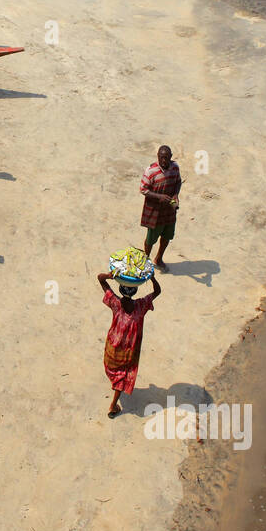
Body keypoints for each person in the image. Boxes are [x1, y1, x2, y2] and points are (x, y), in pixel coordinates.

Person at [98, 271, 161, 418]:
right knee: (123, 375)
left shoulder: (115, 303)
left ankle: (115, 386)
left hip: (113, 345)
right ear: (135, 289)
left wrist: (110, 275)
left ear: (120, 290)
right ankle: (113, 406)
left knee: (114, 370)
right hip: (130, 349)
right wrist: (151, 277)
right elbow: (157, 291)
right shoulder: (141, 305)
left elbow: (100, 279)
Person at [139, 145, 181, 272]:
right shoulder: (150, 171)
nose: (164, 160)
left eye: (166, 158)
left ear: (171, 157)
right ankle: (145, 261)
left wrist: (176, 195)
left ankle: (159, 258)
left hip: (169, 209)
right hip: (155, 211)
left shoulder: (175, 167)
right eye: (161, 158)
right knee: (151, 238)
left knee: (167, 236)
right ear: (158, 157)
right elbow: (143, 190)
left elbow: (178, 182)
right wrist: (159, 197)